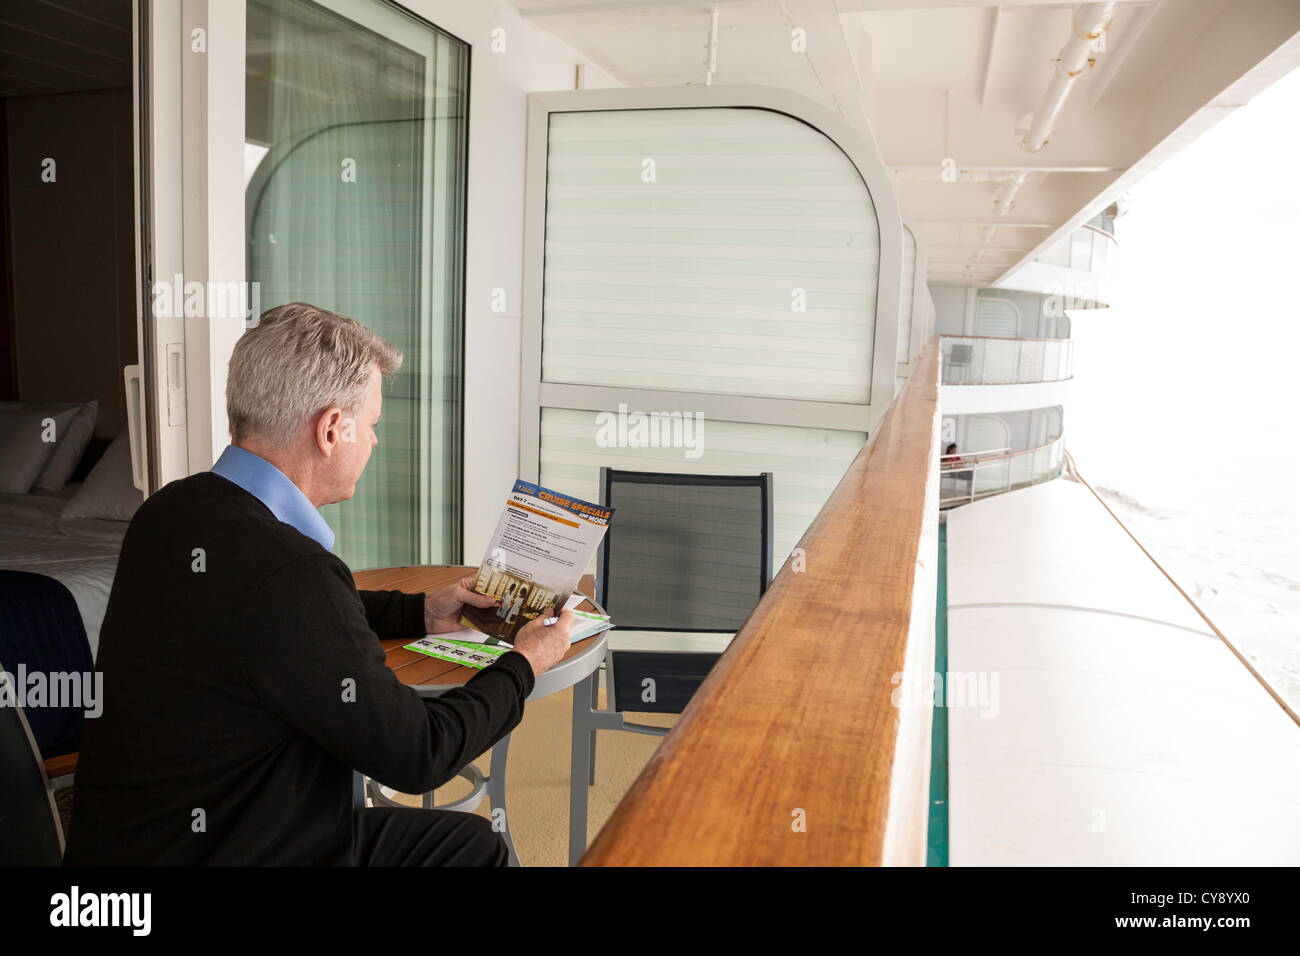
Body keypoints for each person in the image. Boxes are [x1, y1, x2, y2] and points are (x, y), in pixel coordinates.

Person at [64, 302, 575, 866]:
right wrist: (524, 664)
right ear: (332, 429)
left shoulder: (168, 512)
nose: (375, 443)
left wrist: (421, 613)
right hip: (238, 850)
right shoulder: (292, 572)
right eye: (373, 425)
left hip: (124, 858)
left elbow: (270, 614)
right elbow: (419, 754)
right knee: (475, 847)